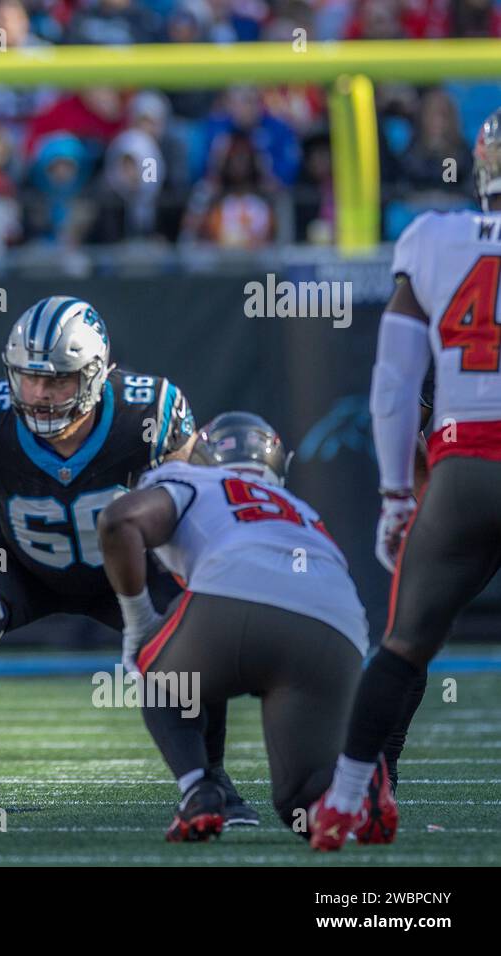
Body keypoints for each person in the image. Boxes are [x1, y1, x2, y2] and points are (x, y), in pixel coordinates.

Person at [0, 296, 256, 828]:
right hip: (22, 563)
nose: (40, 394)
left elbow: (202, 500)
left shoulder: (146, 412)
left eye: (59, 380)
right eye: (28, 378)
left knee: (192, 636)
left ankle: (213, 779)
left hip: (128, 571)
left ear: (95, 374)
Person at [310, 107, 501, 851]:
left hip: (460, 469)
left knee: (404, 642)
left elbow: (393, 381)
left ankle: (347, 799)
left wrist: (395, 493)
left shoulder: (434, 238)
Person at [97, 412, 369, 841]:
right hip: (340, 623)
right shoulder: (302, 510)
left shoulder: (189, 480)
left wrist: (138, 623)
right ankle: (345, 803)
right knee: (302, 801)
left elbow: (118, 521)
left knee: (153, 666)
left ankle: (198, 789)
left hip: (236, 599)